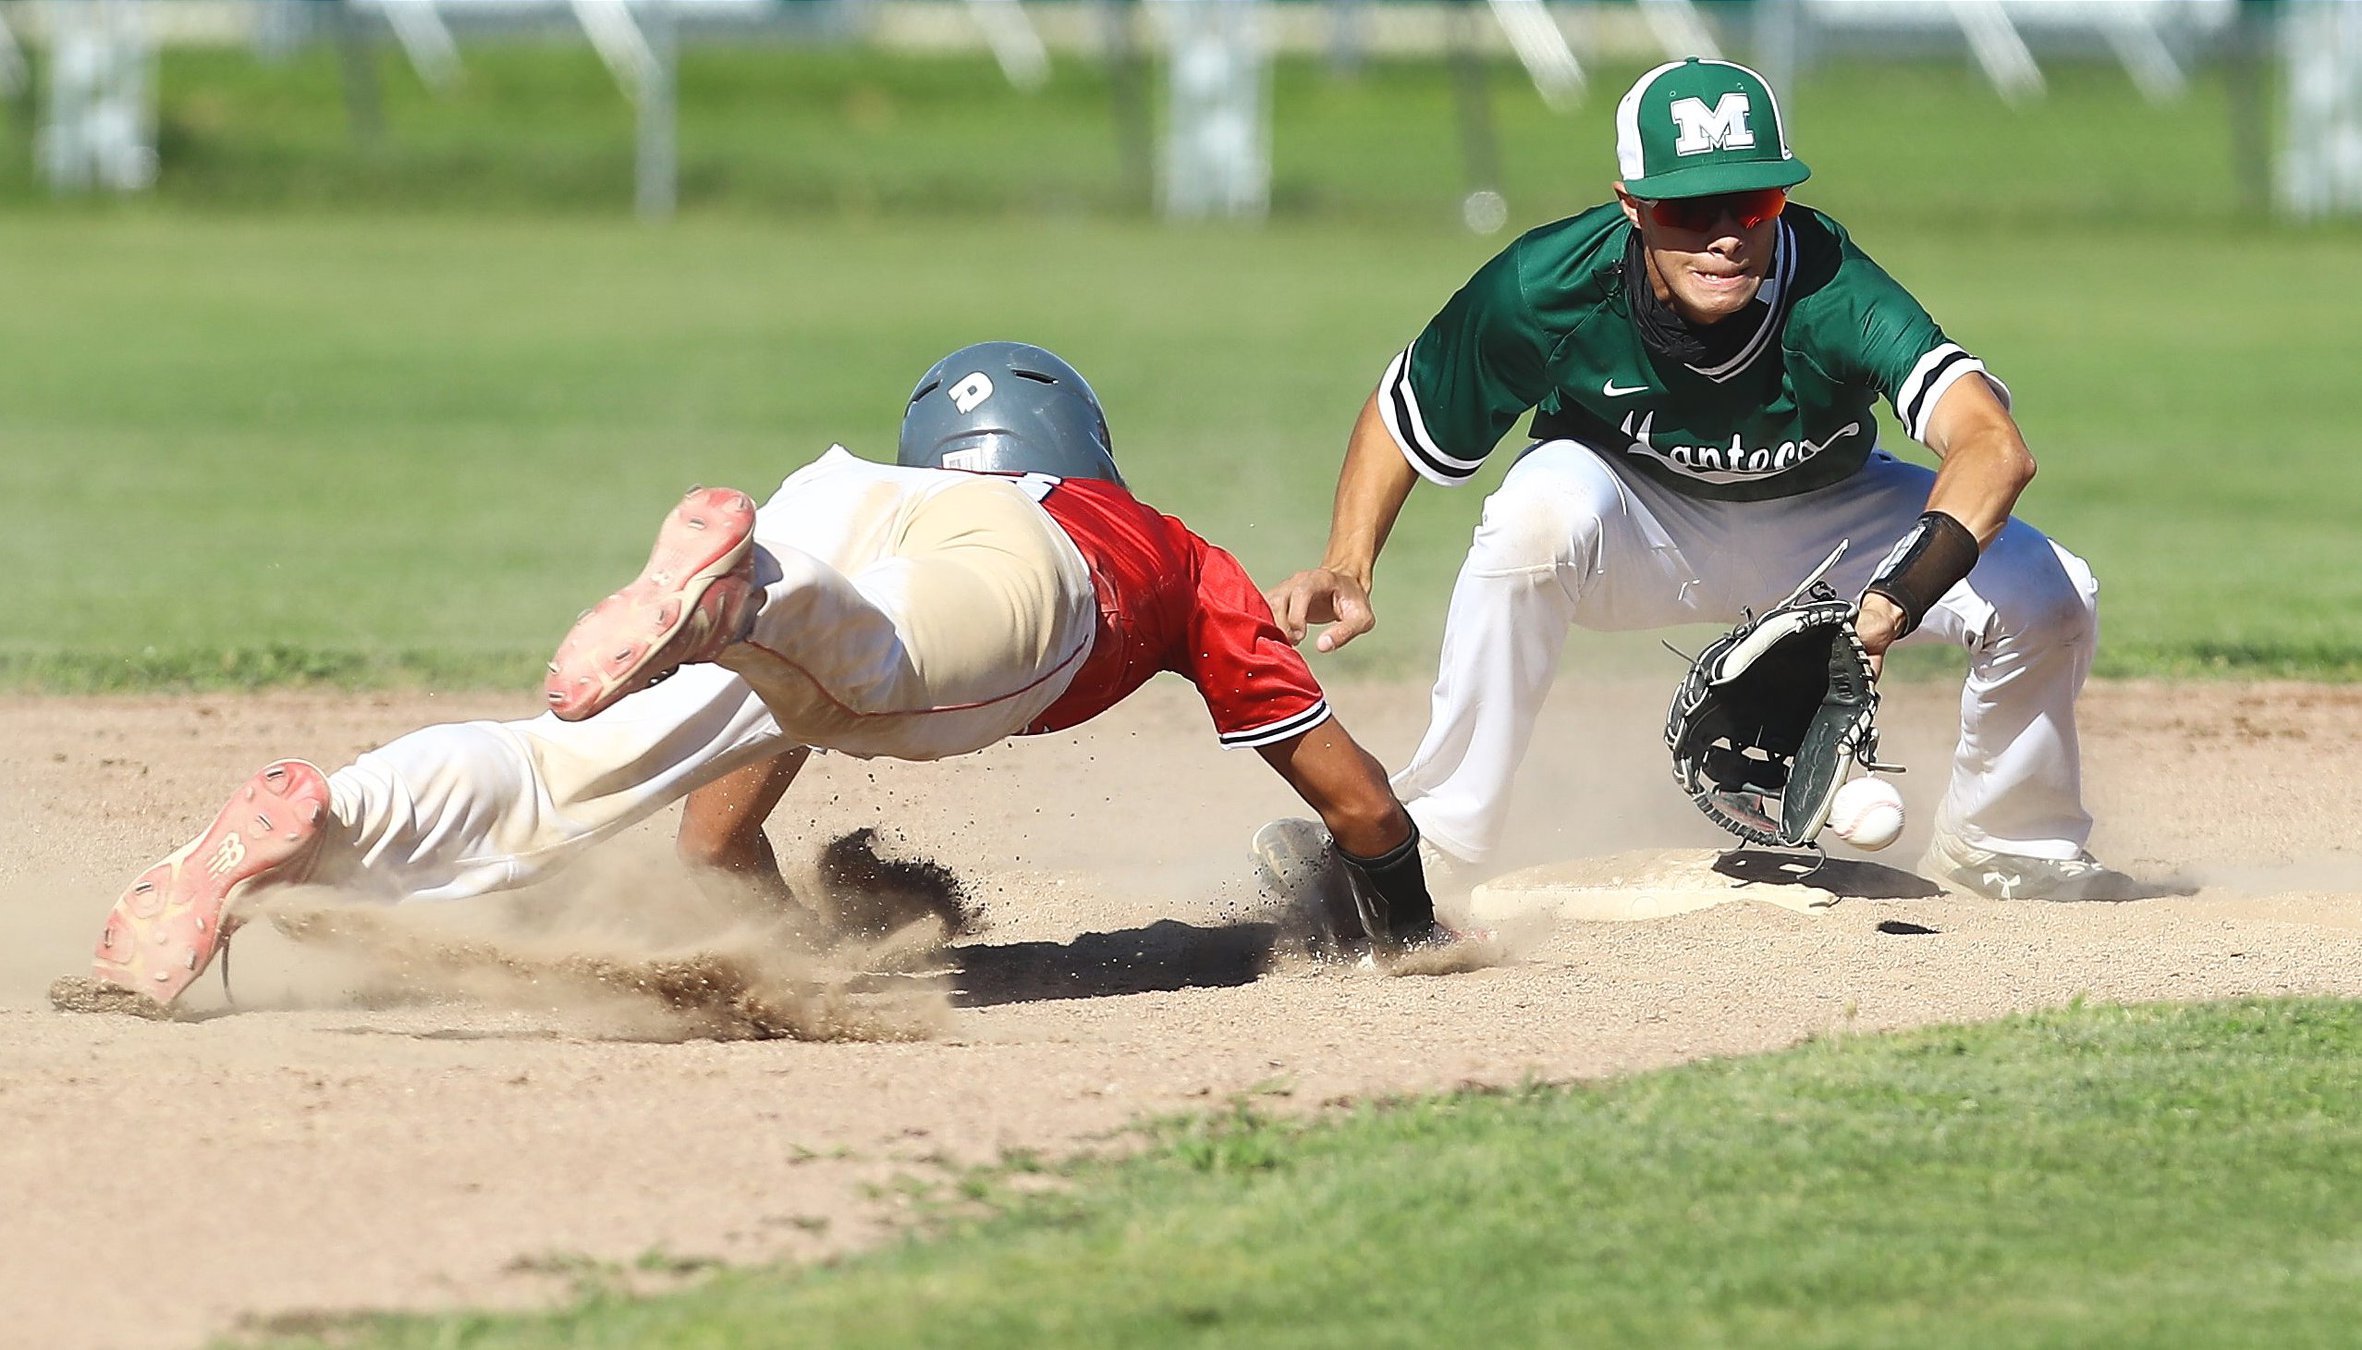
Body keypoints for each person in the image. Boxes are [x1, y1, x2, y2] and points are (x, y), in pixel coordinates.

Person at [87, 342, 1458, 1009]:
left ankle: (318, 827)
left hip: (824, 506)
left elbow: (714, 834)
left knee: (561, 766)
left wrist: (785, 955)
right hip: (993, 575)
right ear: (1087, 446)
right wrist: (1405, 927)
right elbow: (1364, 814)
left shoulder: (885, 482)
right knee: (899, 660)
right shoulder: (1156, 543)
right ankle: (747, 599)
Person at [1261, 58, 2136, 903]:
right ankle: (1437, 840)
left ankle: (2008, 842)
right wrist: (1348, 561)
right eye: (1686, 209)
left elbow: (1991, 445)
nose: (1724, 234)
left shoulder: (1831, 284)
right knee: (1535, 516)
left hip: (1831, 519)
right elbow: (1403, 408)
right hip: (1633, 522)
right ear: (1632, 206)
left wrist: (1896, 600)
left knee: (2049, 592)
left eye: (1753, 203)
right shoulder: (1545, 287)